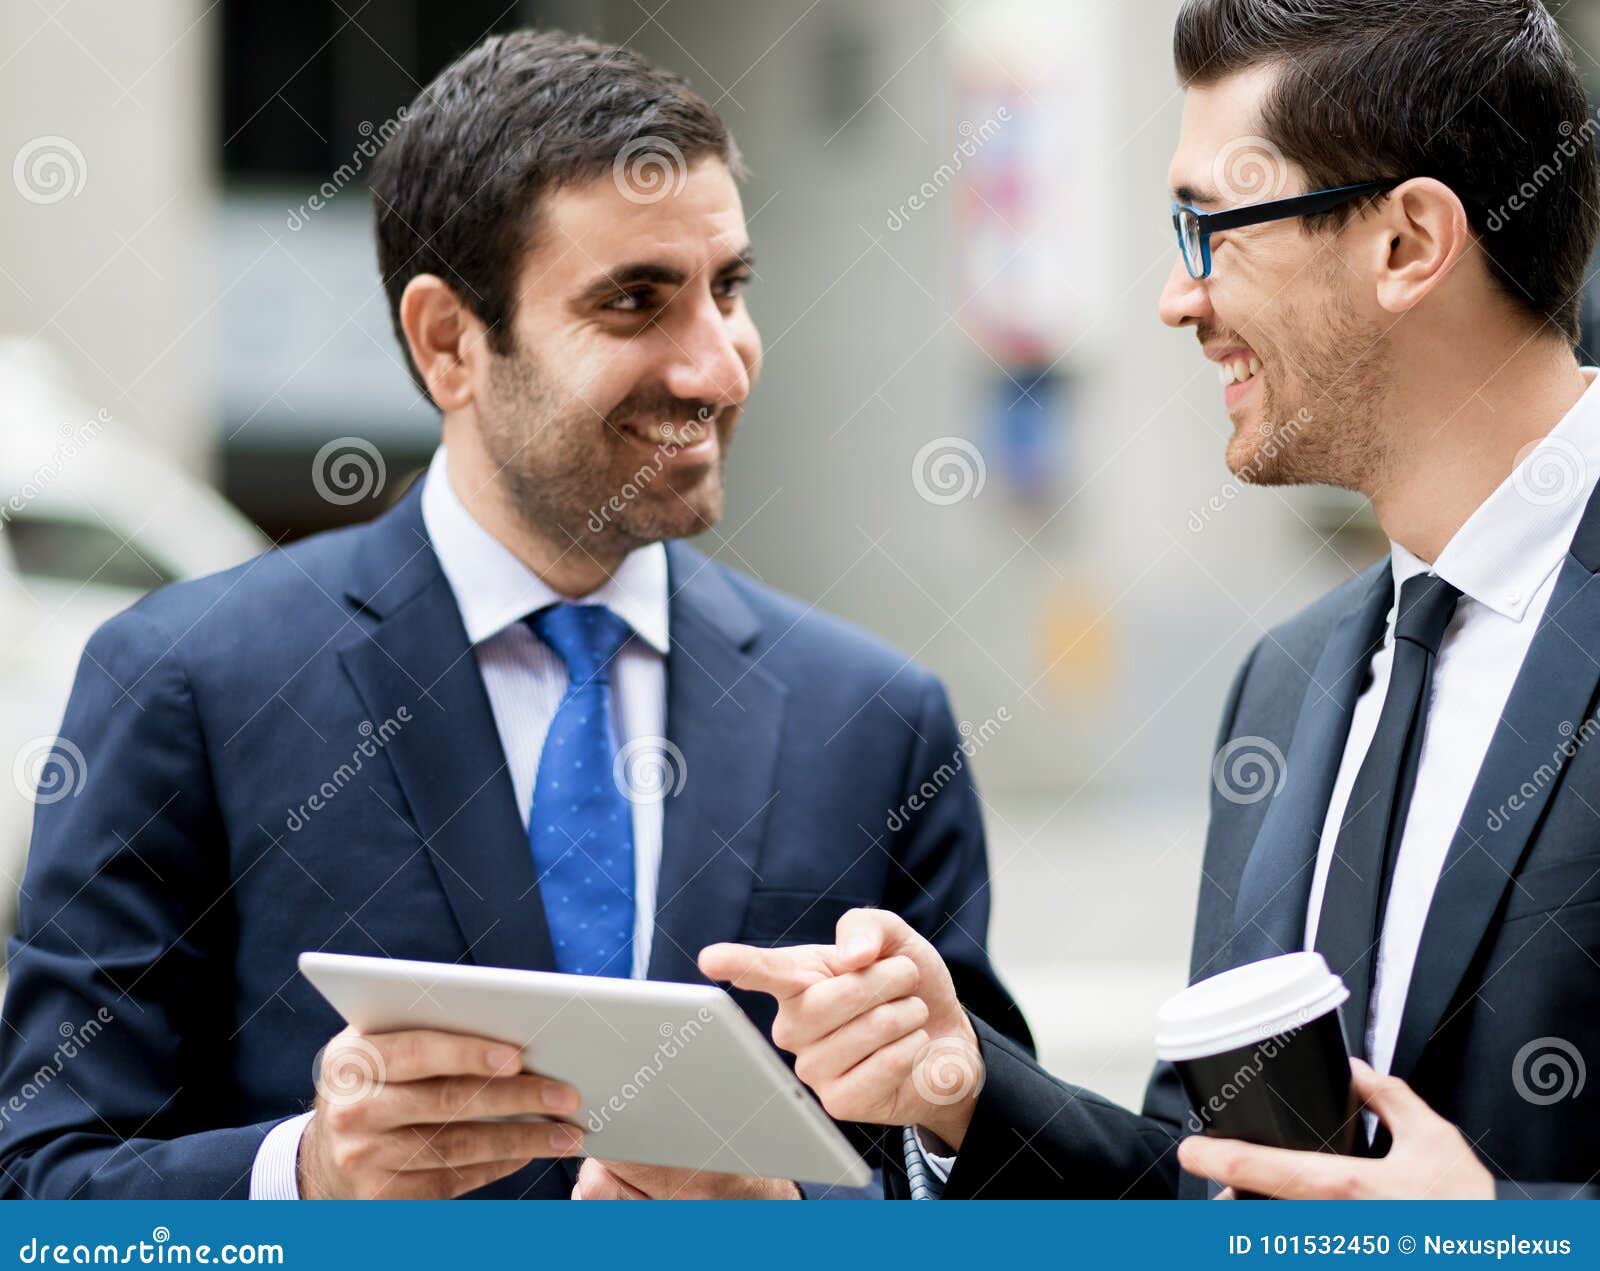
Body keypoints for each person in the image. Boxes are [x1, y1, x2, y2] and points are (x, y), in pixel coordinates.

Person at [0, 29, 1027, 1201]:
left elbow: (989, 1172)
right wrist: (313, 1176)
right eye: (636, 302)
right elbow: (42, 1194)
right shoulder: (188, 681)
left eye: (728, 289)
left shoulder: (876, 719)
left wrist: (858, 1180)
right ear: (449, 342)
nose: (718, 369)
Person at [705, 0, 1600, 1200]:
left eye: (1212, 230)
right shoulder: (1286, 685)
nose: (1181, 301)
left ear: (1407, 244)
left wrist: (1498, 1241)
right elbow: (1211, 1191)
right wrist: (966, 1086)